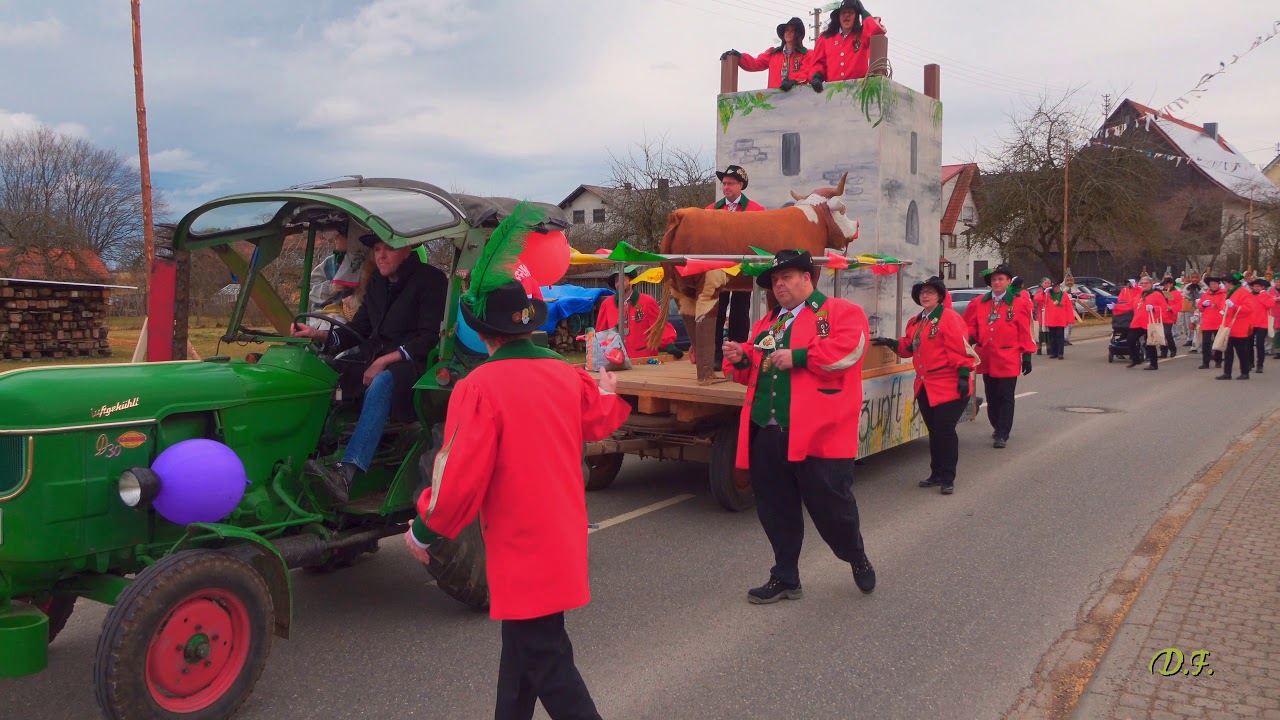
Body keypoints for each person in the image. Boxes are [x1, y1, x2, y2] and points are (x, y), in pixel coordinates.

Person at [404, 214, 631, 720]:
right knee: (525, 650)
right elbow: (601, 418)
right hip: (561, 535)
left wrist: (423, 530)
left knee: (548, 661)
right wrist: (611, 391)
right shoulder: (563, 374)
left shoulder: (478, 387)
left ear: (483, 330)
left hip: (520, 543)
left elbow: (457, 477)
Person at [721, 249, 876, 603]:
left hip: (819, 433)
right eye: (775, 280)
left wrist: (800, 357)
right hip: (768, 432)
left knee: (833, 508)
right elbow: (753, 370)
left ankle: (855, 555)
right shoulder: (768, 323)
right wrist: (741, 356)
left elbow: (850, 350)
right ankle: (786, 575)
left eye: (786, 277)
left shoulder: (840, 312)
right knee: (775, 509)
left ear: (808, 278)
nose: (779, 285)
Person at [291, 233, 448, 502]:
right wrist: (317, 335)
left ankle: (347, 472)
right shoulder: (377, 283)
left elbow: (429, 337)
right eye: (377, 249)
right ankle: (316, 453)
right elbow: (358, 330)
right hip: (374, 359)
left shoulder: (430, 281)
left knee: (383, 380)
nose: (381, 255)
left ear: (407, 249)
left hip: (415, 366)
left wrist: (385, 360)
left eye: (388, 248)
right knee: (330, 370)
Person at [874, 276, 974, 494]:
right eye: (922, 293)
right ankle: (936, 473)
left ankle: (948, 478)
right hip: (926, 385)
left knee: (945, 431)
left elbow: (961, 350)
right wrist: (890, 343)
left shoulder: (949, 318)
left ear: (939, 296)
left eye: (929, 292)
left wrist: (964, 376)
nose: (925, 296)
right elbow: (909, 348)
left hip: (950, 384)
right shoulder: (916, 322)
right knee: (935, 432)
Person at [963, 265, 1034, 449]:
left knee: (1006, 396)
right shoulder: (979, 303)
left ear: (1009, 282)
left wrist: (1027, 356)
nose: (997, 282)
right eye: (994, 279)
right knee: (992, 396)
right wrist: (970, 338)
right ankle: (996, 426)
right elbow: (971, 325)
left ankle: (1003, 433)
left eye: (1001, 279)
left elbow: (1025, 331)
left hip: (1008, 358)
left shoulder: (1019, 303)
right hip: (987, 357)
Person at [708, 165, 765, 364]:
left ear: (741, 185)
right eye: (724, 184)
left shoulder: (756, 210)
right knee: (716, 311)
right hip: (718, 268)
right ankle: (715, 356)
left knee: (741, 311)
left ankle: (738, 355)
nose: (726, 187)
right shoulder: (710, 210)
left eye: (730, 183)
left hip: (743, 268)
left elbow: (761, 239)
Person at [594, 265, 680, 359]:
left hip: (643, 360)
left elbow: (658, 326)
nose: (618, 283)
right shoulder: (606, 304)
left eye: (622, 280)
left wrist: (670, 346)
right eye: (616, 281)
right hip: (616, 360)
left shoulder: (647, 302)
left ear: (632, 281)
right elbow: (601, 332)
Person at [808, 0, 886, 91]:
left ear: (856, 16)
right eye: (843, 13)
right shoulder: (825, 38)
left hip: (858, 90)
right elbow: (818, 63)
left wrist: (863, 12)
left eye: (850, 12)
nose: (846, 15)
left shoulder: (862, 35)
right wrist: (817, 76)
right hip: (832, 92)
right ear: (838, 17)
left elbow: (877, 31)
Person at [306, 216, 369, 326]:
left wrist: (357, 299)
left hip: (359, 314)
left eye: (339, 235)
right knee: (334, 324)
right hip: (327, 313)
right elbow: (311, 290)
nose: (336, 238)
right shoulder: (330, 263)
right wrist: (331, 288)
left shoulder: (367, 262)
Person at [721, 17, 812, 91]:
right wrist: (739, 57)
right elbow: (755, 64)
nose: (788, 33)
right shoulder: (773, 54)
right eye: (786, 30)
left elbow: (804, 74)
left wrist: (793, 82)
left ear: (798, 34)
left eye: (792, 31)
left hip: (796, 101)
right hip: (774, 100)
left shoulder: (805, 54)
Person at [1218, 272, 1257, 381]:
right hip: (1229, 326)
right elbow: (1225, 305)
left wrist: (1234, 307)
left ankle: (1244, 372)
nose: (1224, 284)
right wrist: (1223, 310)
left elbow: (1249, 308)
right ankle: (1227, 373)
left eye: (1225, 282)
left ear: (1231, 283)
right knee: (1228, 350)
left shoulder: (1243, 292)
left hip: (1240, 326)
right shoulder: (1230, 292)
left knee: (1241, 351)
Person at [1125, 276, 1167, 370]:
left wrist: (1154, 308)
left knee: (1150, 344)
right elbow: (1130, 305)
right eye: (1142, 283)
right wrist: (1116, 307)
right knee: (1130, 340)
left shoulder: (1157, 294)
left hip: (1150, 322)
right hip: (1138, 322)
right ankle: (1136, 359)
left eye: (1146, 283)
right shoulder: (1140, 295)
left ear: (1151, 284)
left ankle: (1153, 364)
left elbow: (1164, 308)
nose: (1143, 285)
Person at [1197, 276, 1227, 370]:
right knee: (1205, 343)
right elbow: (1200, 308)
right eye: (1211, 284)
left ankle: (1218, 361)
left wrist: (1217, 306)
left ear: (1218, 285)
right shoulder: (1206, 295)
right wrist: (1203, 305)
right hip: (1207, 322)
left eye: (1215, 284)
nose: (1213, 285)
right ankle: (1205, 362)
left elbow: (1224, 307)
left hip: (1218, 322)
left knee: (1218, 342)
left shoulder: (1223, 295)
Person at [1041, 279, 1074, 359]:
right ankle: (1053, 353)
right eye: (1055, 287)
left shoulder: (1064, 295)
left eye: (1058, 286)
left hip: (1061, 320)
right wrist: (1044, 292)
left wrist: (1070, 320)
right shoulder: (1048, 295)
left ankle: (1060, 353)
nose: (1057, 288)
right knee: (1052, 337)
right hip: (1051, 320)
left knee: (1060, 337)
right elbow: (1038, 299)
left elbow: (1069, 308)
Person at [1248, 277, 1274, 373]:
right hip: (1250, 323)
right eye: (1255, 286)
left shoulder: (1266, 296)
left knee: (1260, 345)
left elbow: (1270, 305)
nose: (1256, 288)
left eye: (1258, 286)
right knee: (1249, 344)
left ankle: (1260, 365)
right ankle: (1250, 363)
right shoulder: (1249, 295)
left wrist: (1260, 297)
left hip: (1262, 324)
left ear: (1262, 287)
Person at [1159, 276, 1181, 358]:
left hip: (1169, 315)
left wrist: (1171, 308)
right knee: (1161, 334)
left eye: (1167, 284)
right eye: (1164, 284)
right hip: (1161, 315)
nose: (1165, 286)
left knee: (1167, 333)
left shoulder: (1176, 293)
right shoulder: (1162, 293)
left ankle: (1172, 349)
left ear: (1171, 284)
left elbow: (1179, 305)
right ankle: (1163, 351)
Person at [1180, 274, 1202, 348]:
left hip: (1199, 308)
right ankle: (1190, 338)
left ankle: (1199, 339)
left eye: (1196, 277)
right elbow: (1184, 294)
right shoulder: (1188, 286)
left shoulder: (1202, 286)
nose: (1194, 279)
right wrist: (1186, 297)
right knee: (1189, 323)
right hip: (1189, 307)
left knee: (1198, 324)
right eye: (1193, 278)